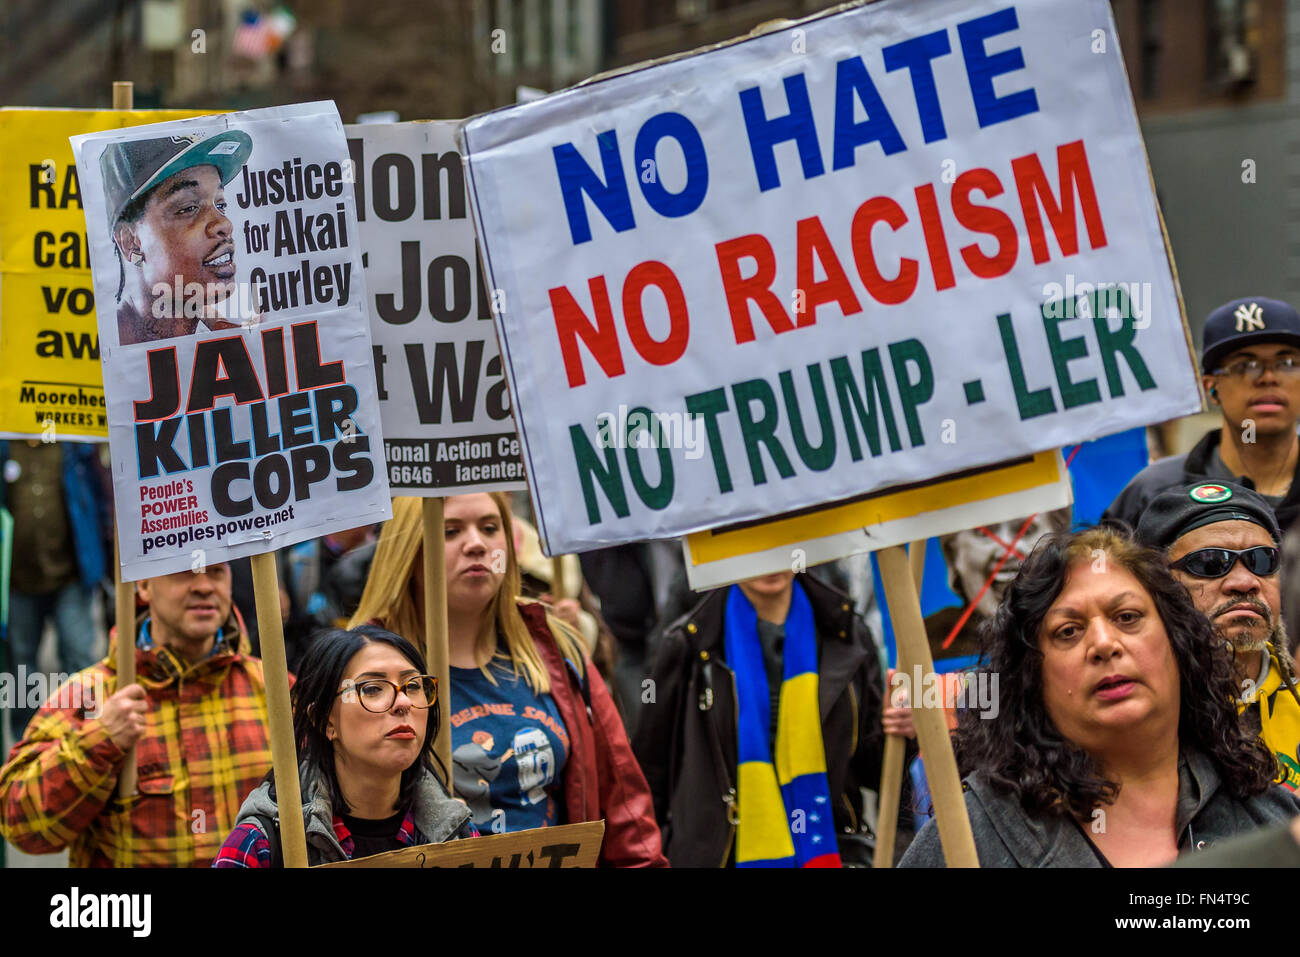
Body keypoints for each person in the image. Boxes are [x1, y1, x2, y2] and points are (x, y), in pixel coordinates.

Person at [900, 526, 1300, 868]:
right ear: (1033, 679)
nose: (1104, 644)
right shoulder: (969, 841)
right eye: (1068, 631)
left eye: (1127, 617)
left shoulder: (1269, 816)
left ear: (1179, 645)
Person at [348, 495, 667, 867]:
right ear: (409, 552)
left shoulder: (555, 646)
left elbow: (624, 802)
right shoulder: (363, 668)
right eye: (450, 531)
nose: (477, 544)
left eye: (489, 528)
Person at [0, 560, 274, 867]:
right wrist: (98, 743)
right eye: (183, 571)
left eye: (216, 572)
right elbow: (19, 824)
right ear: (143, 585)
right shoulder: (91, 696)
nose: (204, 586)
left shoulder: (273, 690)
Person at [633, 568, 913, 867]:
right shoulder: (688, 644)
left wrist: (902, 732)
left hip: (832, 852)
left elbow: (879, 773)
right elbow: (649, 775)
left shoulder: (847, 634)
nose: (769, 562)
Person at [214, 625, 474, 866]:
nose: (403, 702)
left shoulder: (456, 832)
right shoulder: (264, 844)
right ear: (325, 721)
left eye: (414, 685)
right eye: (372, 688)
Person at [1135, 481, 1300, 793]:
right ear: (1156, 586)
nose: (1244, 582)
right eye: (1211, 562)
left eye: (1262, 560)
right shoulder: (1135, 715)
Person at [1104, 296, 1300, 530]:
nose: (1268, 378)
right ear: (1211, 387)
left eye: (1287, 363)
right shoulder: (1154, 492)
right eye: (1245, 366)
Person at [0, 439, 110, 738]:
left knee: (78, 656)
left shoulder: (74, 447)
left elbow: (98, 501)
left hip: (71, 577)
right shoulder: (5, 446)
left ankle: (88, 734)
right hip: (18, 581)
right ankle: (27, 742)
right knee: (21, 670)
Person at [101, 130, 253, 345]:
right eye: (189, 207)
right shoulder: (106, 352)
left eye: (221, 205)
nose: (224, 224)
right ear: (130, 241)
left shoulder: (218, 332)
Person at [926, 508, 1072, 666]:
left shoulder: (1087, 630)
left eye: (1027, 530)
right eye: (983, 534)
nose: (1007, 554)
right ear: (953, 554)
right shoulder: (922, 643)